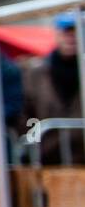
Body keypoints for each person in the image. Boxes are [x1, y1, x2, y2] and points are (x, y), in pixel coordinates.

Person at [22, 15, 83, 165]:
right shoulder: (35, 72)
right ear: (56, 34)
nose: (71, 37)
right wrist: (31, 141)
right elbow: (25, 111)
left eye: (77, 31)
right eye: (66, 32)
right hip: (48, 156)